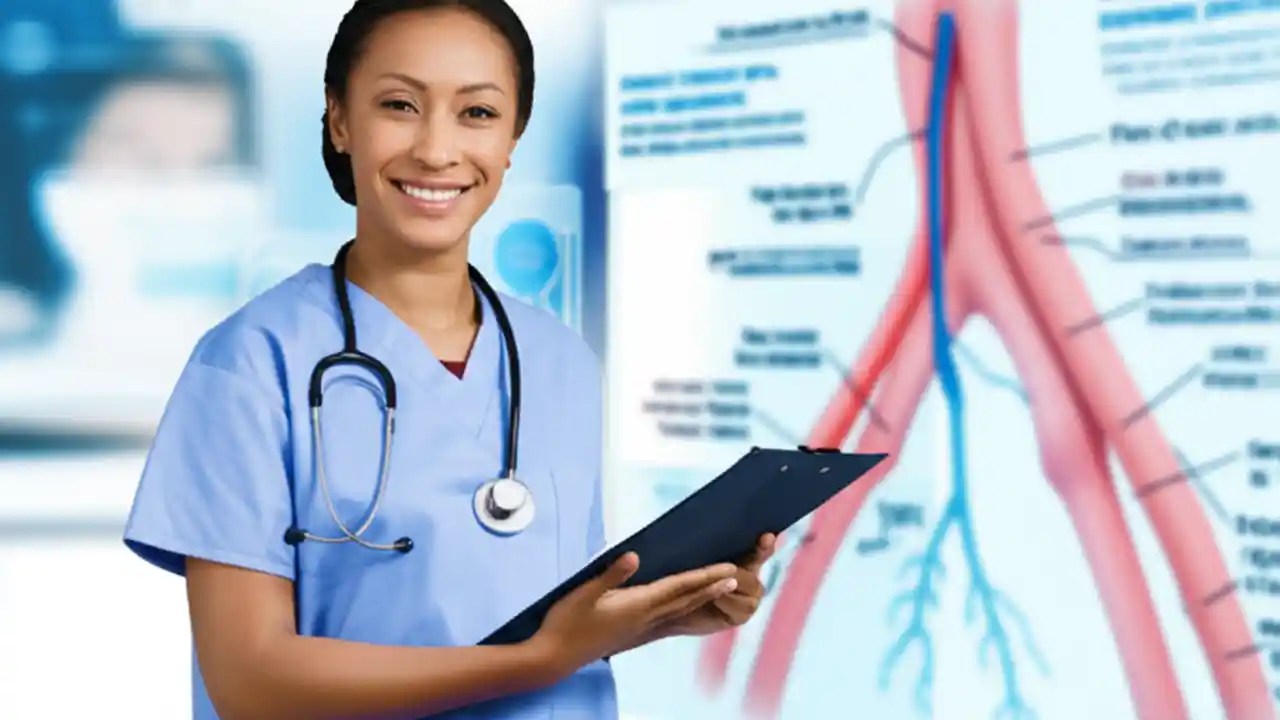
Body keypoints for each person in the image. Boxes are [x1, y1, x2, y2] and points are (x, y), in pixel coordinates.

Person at [121, 1, 776, 718]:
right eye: (399, 105)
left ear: (514, 135)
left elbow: (533, 610)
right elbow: (249, 680)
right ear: (340, 119)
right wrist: (536, 660)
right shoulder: (250, 363)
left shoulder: (558, 361)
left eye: (478, 113)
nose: (437, 150)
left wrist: (661, 611)